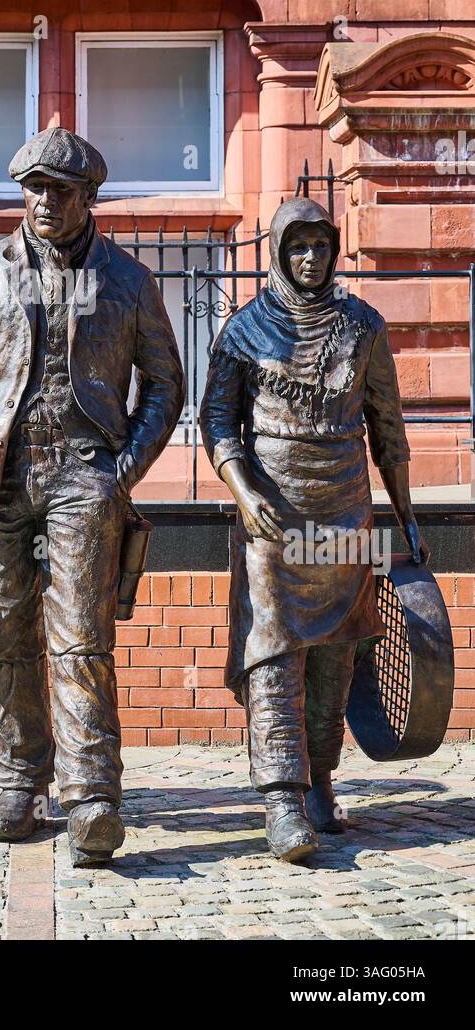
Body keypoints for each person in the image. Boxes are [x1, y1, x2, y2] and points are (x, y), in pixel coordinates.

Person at [0, 127, 185, 866]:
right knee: (4, 636)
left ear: (89, 197)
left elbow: (165, 383)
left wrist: (123, 470)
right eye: (34, 189)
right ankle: (19, 783)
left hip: (84, 474)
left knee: (81, 637)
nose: (44, 202)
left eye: (60, 190)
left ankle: (91, 796)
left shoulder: (126, 280)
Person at [199, 198, 424, 862]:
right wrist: (242, 491)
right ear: (276, 252)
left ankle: (320, 783)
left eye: (319, 246)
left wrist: (405, 514)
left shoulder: (361, 326)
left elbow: (388, 425)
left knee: (337, 647)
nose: (309, 258)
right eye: (296, 247)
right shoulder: (242, 331)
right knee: (272, 649)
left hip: (346, 506)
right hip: (272, 509)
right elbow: (217, 423)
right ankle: (279, 800)